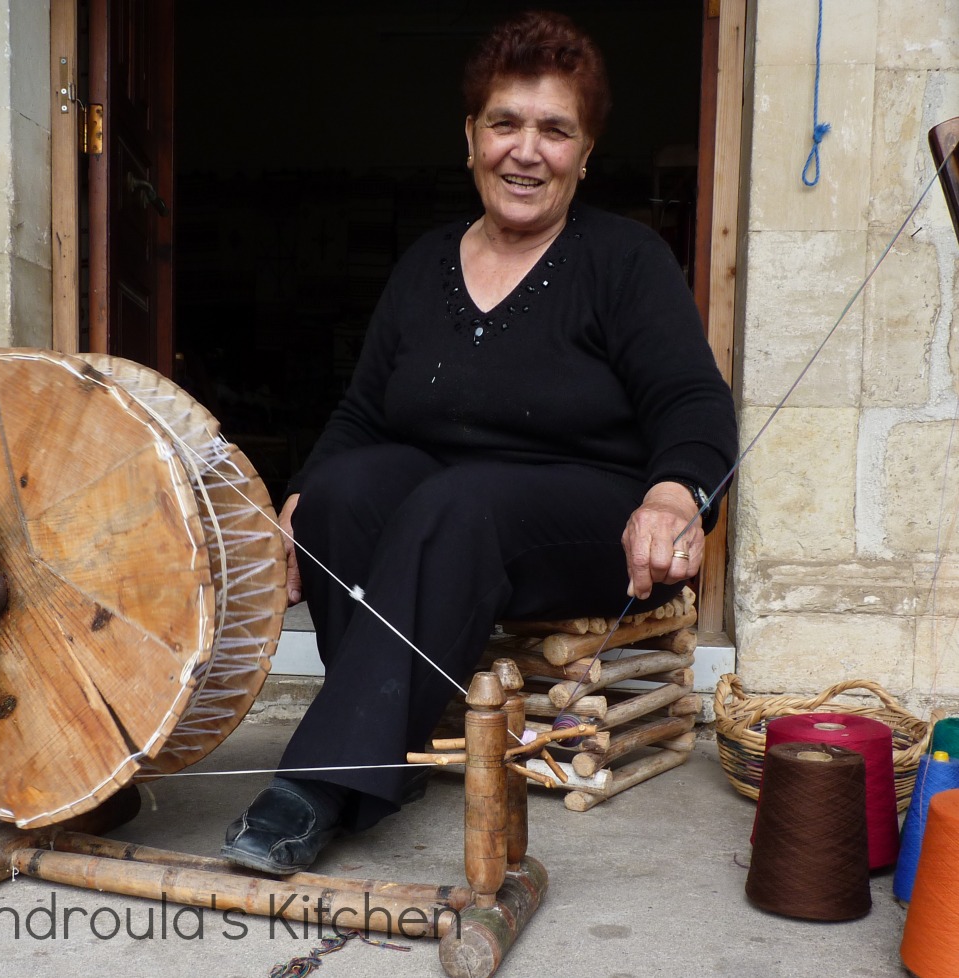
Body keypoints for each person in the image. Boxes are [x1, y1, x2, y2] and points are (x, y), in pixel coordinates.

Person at [221, 9, 738, 875]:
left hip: (585, 518)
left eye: (554, 130)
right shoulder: (424, 264)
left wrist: (670, 495)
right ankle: (385, 738)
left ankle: (317, 784)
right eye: (505, 123)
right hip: (451, 510)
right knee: (343, 495)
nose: (525, 151)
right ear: (469, 137)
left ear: (584, 154)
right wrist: (300, 496)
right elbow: (363, 411)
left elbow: (693, 401)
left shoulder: (624, 260)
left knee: (460, 501)